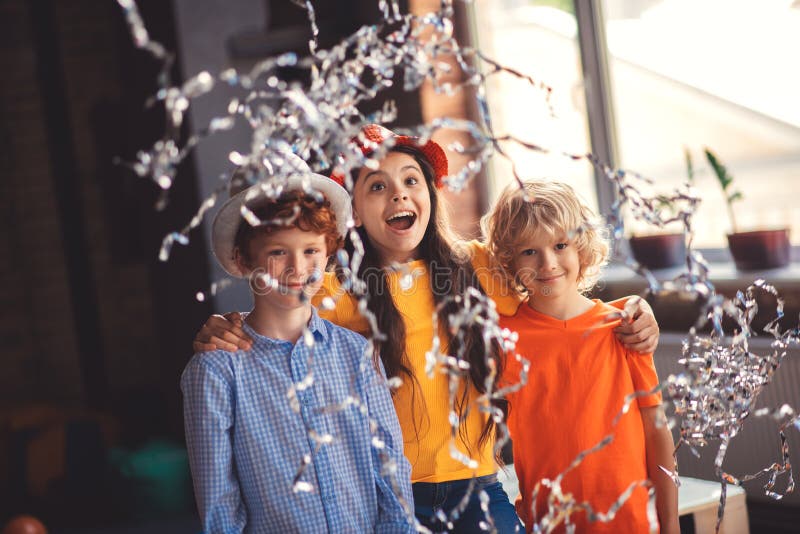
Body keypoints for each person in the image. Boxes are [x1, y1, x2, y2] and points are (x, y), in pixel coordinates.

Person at [193, 125, 661, 533]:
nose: (398, 195)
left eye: (410, 180)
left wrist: (629, 308)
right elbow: (278, 311)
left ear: (430, 194)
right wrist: (224, 325)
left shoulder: (479, 267)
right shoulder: (332, 289)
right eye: (377, 187)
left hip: (478, 486)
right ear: (352, 212)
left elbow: (557, 296)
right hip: (391, 498)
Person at [181, 154, 414, 533]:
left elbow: (390, 467)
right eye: (277, 252)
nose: (297, 269)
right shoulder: (216, 371)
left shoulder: (357, 353)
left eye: (310, 251)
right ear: (242, 260)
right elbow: (218, 503)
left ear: (328, 254)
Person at [482, 180, 679, 533]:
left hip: (631, 523)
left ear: (582, 247)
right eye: (529, 251)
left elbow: (656, 430)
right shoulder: (501, 336)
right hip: (550, 523)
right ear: (509, 259)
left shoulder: (625, 326)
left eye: (560, 245)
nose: (548, 263)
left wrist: (672, 523)